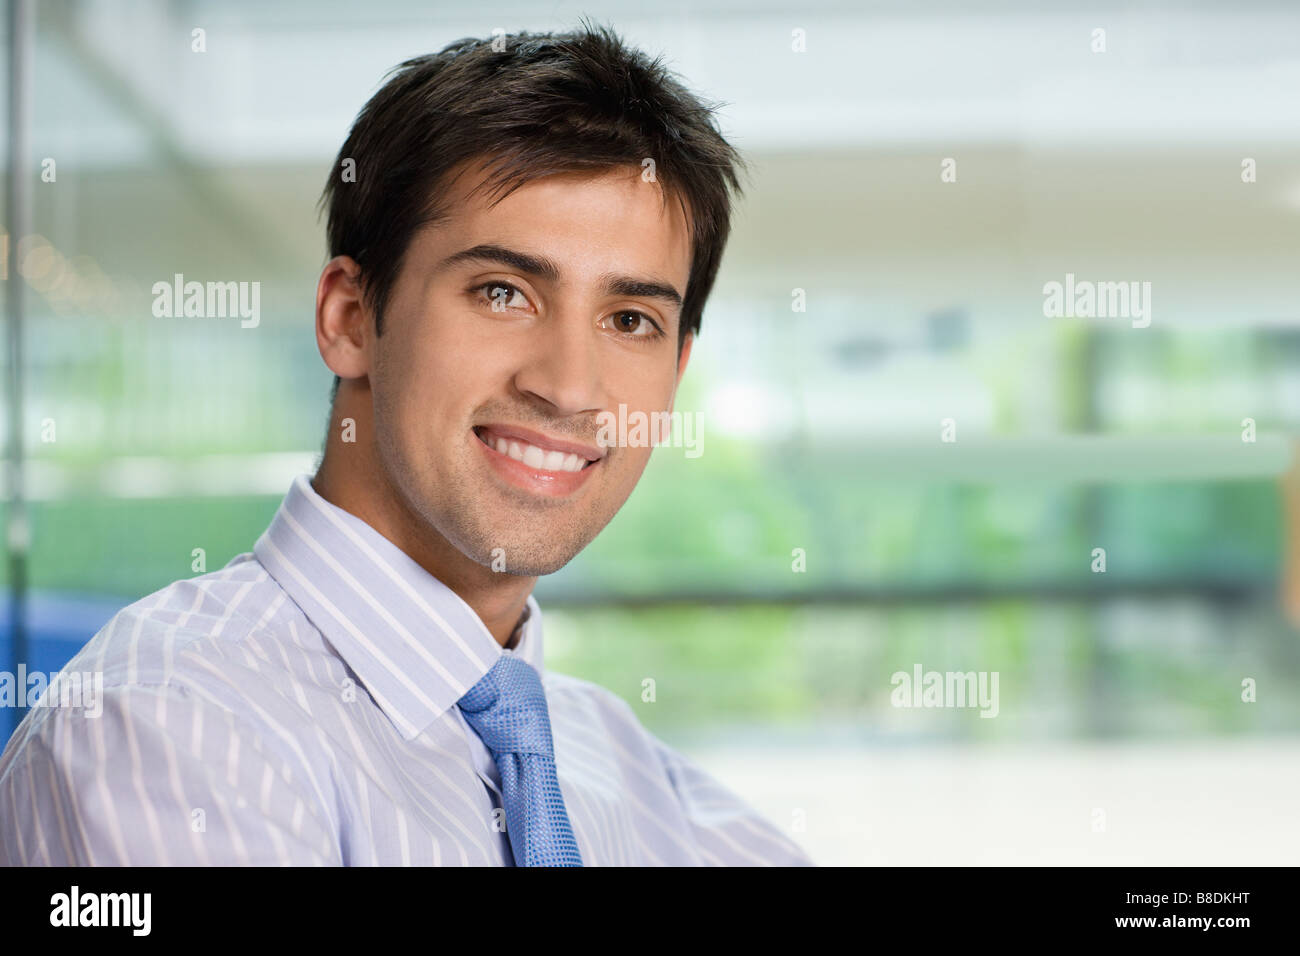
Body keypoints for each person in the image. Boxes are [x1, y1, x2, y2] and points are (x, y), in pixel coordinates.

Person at [0, 23, 813, 866]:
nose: (570, 386)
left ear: (676, 372)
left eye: (631, 320)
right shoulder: (170, 726)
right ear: (351, 319)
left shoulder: (648, 791)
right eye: (502, 292)